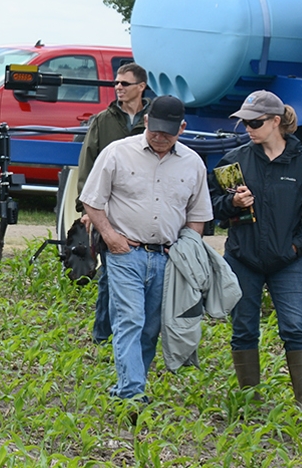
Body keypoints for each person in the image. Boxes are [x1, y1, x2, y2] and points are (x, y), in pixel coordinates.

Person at [80, 95, 212, 403]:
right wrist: (110, 236)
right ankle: (132, 392)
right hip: (125, 253)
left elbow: (197, 216)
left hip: (166, 256)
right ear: (146, 121)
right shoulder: (118, 152)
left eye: (169, 132)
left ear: (182, 128)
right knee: (130, 319)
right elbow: (92, 200)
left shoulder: (193, 163)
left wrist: (185, 252)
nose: (160, 137)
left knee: (151, 327)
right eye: (155, 129)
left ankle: (128, 384)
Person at [210, 90, 302, 411]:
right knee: (243, 330)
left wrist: (296, 246)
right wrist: (232, 202)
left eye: (255, 122)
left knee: (296, 328)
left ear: (276, 121)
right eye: (244, 122)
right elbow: (211, 205)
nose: (248, 128)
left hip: (288, 262)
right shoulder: (235, 160)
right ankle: (251, 404)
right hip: (242, 259)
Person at [78, 62, 150, 345]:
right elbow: (88, 164)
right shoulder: (102, 121)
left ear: (141, 87)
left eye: (124, 83)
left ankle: (138, 337)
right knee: (109, 275)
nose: (118, 87)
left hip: (142, 210)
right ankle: (102, 336)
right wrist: (86, 209)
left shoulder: (153, 121)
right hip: (108, 211)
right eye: (116, 83)